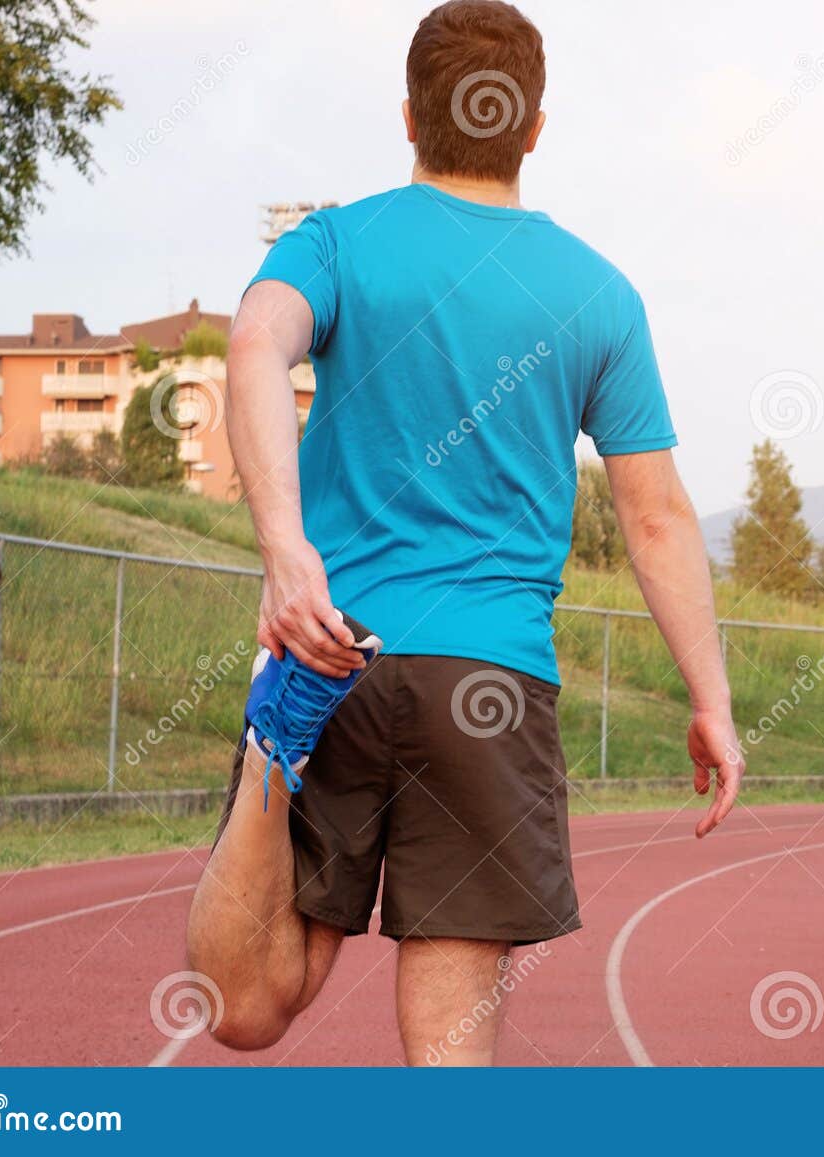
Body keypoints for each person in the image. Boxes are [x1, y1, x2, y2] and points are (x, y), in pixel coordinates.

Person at [185, 0, 742, 1066]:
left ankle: (271, 755)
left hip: (331, 650)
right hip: (484, 683)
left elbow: (254, 345)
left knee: (250, 1006)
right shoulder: (597, 294)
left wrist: (286, 549)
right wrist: (708, 701)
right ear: (533, 128)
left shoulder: (337, 241)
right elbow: (656, 517)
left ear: (407, 118)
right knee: (449, 1046)